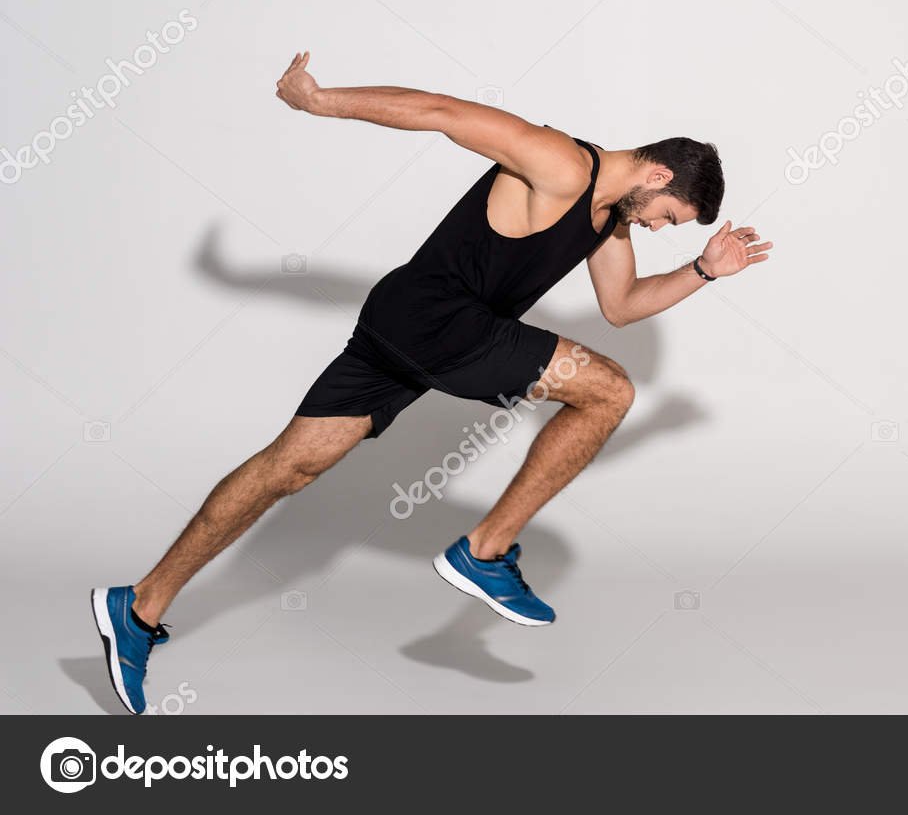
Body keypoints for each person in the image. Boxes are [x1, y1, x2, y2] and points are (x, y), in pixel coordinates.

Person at [91, 52, 772, 715]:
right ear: (655, 174)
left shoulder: (607, 221)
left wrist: (704, 272)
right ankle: (484, 552)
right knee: (612, 390)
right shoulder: (561, 163)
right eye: (667, 217)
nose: (657, 228)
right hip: (440, 322)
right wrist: (319, 100)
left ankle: (139, 606)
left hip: (409, 326)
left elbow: (621, 307)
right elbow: (443, 112)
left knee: (287, 469)